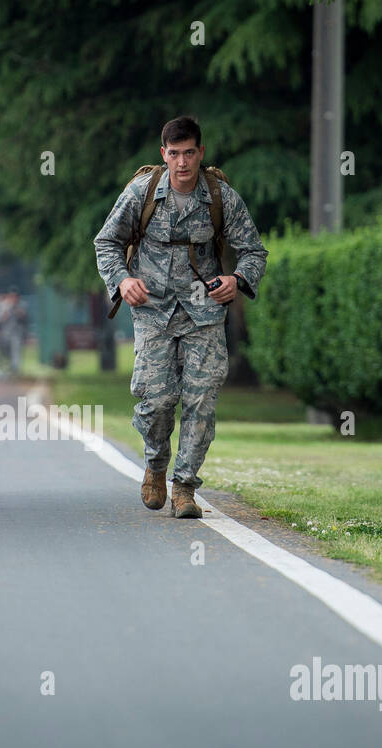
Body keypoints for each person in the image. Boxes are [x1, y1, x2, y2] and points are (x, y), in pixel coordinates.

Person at [93, 115, 267, 518]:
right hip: (152, 309)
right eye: (174, 154)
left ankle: (185, 485)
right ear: (163, 155)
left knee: (201, 399)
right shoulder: (143, 192)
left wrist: (237, 279)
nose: (183, 162)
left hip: (203, 312)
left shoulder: (221, 196)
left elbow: (254, 251)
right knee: (156, 402)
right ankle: (156, 466)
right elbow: (107, 242)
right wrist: (121, 280)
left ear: (201, 153)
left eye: (190, 153)